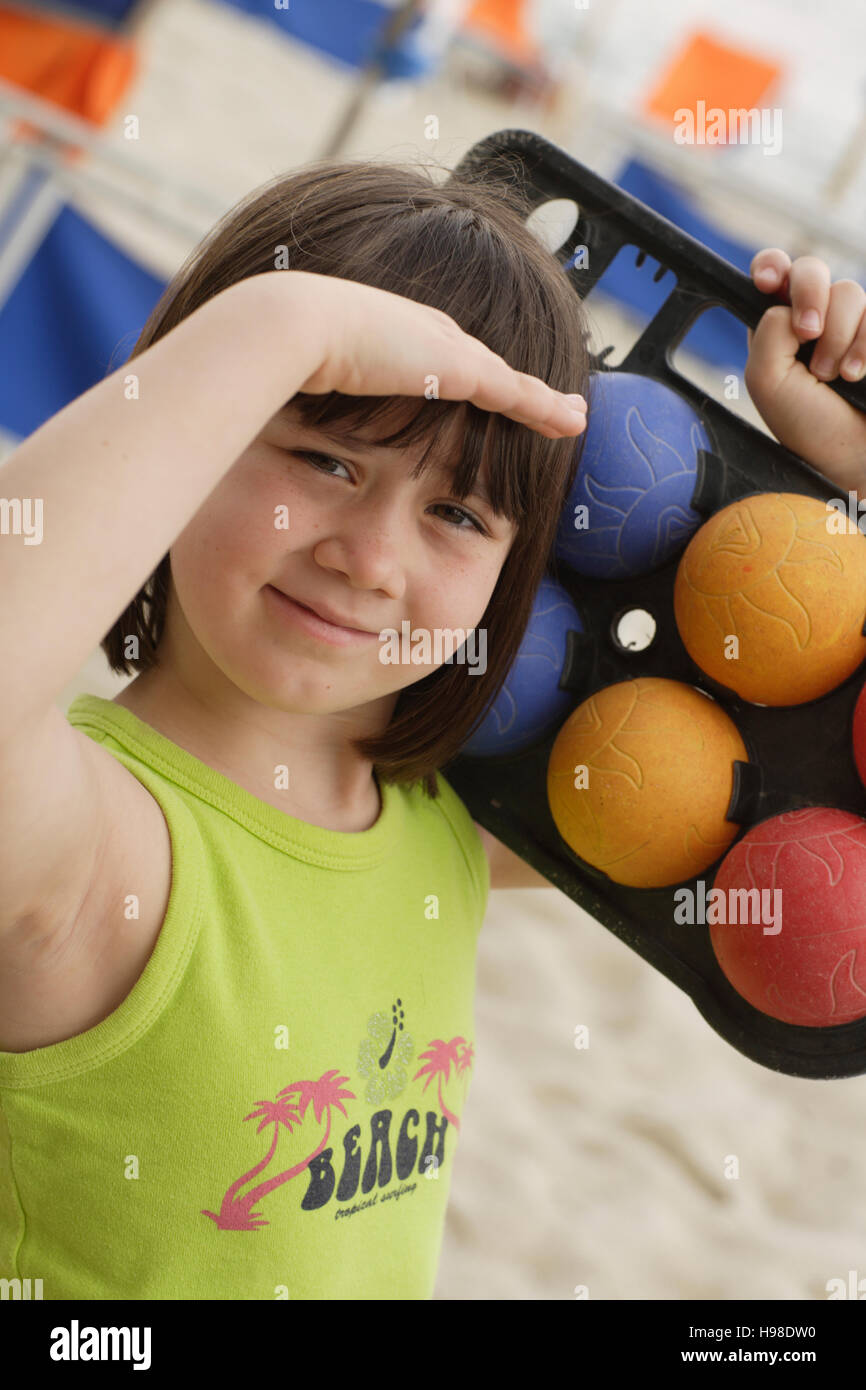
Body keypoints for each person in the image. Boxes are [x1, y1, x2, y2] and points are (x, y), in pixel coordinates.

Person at [0, 155, 863, 1301]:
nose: (367, 556)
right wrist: (272, 325)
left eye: (456, 510)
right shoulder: (94, 847)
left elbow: (816, 787)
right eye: (323, 456)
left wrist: (842, 484)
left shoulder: (450, 825)